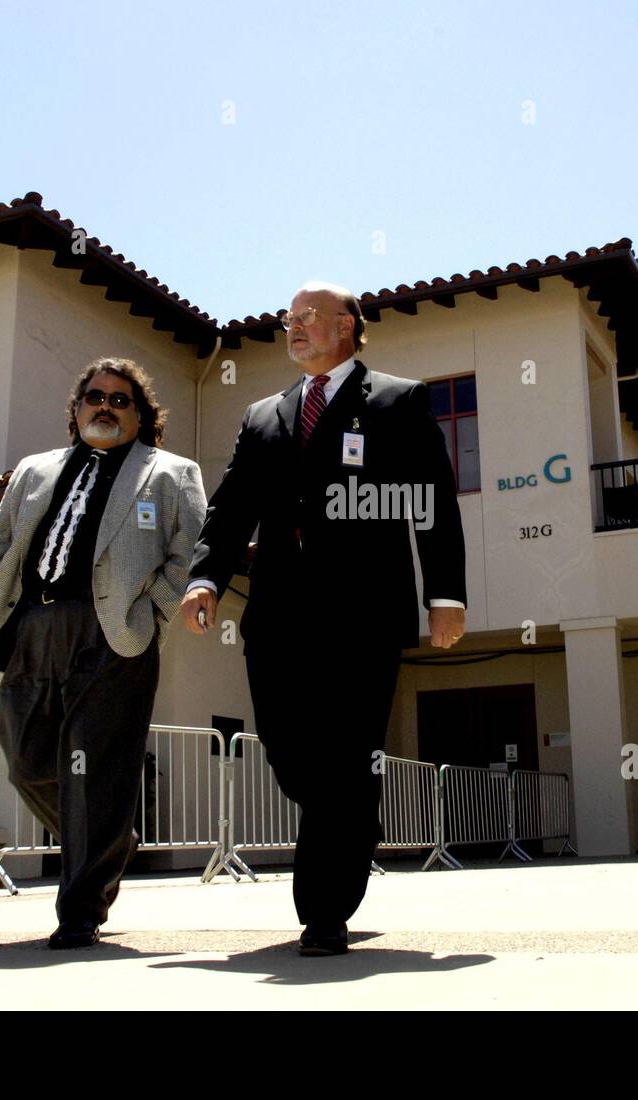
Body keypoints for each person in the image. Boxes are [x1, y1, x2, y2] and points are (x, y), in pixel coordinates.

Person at [181, 281, 467, 956]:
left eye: (308, 316)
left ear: (348, 325)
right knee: (289, 750)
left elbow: (433, 501)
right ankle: (352, 820)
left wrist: (444, 596)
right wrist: (205, 578)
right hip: (278, 615)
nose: (294, 326)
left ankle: (324, 909)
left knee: (343, 752)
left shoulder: (399, 400)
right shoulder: (262, 417)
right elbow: (229, 509)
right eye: (289, 319)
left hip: (363, 614)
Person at [0, 358, 207, 949]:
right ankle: (106, 838)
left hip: (114, 634)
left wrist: (154, 610)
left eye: (121, 399)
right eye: (95, 396)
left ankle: (80, 909)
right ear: (77, 407)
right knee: (26, 759)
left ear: (141, 416)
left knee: (94, 764)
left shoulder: (170, 473)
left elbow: (188, 552)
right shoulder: (36, 470)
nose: (106, 406)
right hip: (33, 625)